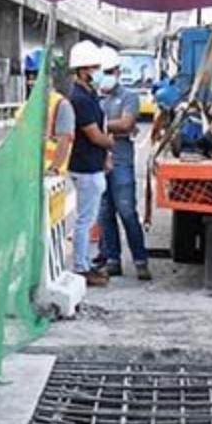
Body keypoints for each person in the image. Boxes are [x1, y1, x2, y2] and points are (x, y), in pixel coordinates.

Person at [93, 46, 152, 281]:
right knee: (105, 214)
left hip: (121, 162)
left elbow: (127, 124)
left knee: (126, 211)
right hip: (98, 163)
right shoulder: (94, 97)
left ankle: (140, 261)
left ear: (117, 71)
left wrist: (96, 127)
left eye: (108, 71)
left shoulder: (128, 96)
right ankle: (113, 260)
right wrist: (105, 127)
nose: (104, 75)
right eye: (100, 71)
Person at [66, 41, 115, 287]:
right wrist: (111, 144)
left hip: (92, 164)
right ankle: (81, 267)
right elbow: (95, 135)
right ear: (84, 70)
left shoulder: (89, 95)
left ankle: (84, 264)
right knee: (85, 221)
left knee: (87, 218)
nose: (100, 74)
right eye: (96, 68)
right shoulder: (80, 99)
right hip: (85, 166)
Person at [19, 49, 74, 176]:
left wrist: (53, 170)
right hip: (27, 175)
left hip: (50, 179)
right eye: (30, 76)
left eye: (36, 76)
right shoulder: (25, 107)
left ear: (50, 77)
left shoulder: (61, 105)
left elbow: (64, 142)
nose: (31, 82)